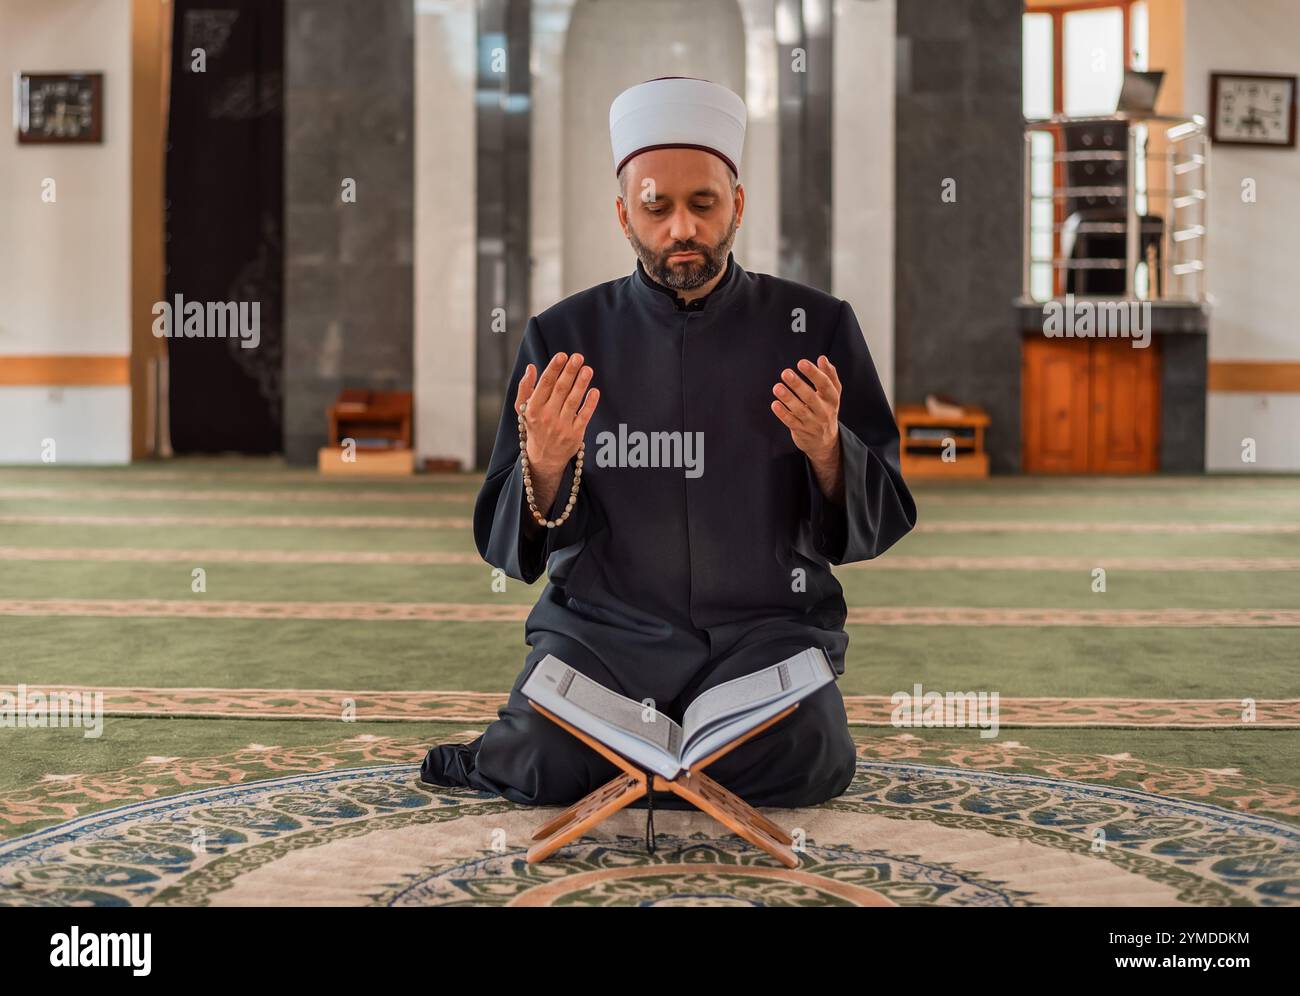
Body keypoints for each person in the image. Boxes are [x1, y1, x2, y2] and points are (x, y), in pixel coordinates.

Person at [420, 76, 917, 811]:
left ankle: (632, 773)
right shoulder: (563, 339)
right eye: (657, 208)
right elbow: (509, 538)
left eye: (703, 204)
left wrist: (827, 451)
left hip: (761, 632)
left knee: (815, 756)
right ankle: (678, 770)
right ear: (625, 215)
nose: (682, 228)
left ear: (737, 204)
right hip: (605, 636)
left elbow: (883, 503)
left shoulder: (816, 328)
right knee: (534, 760)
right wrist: (546, 464)